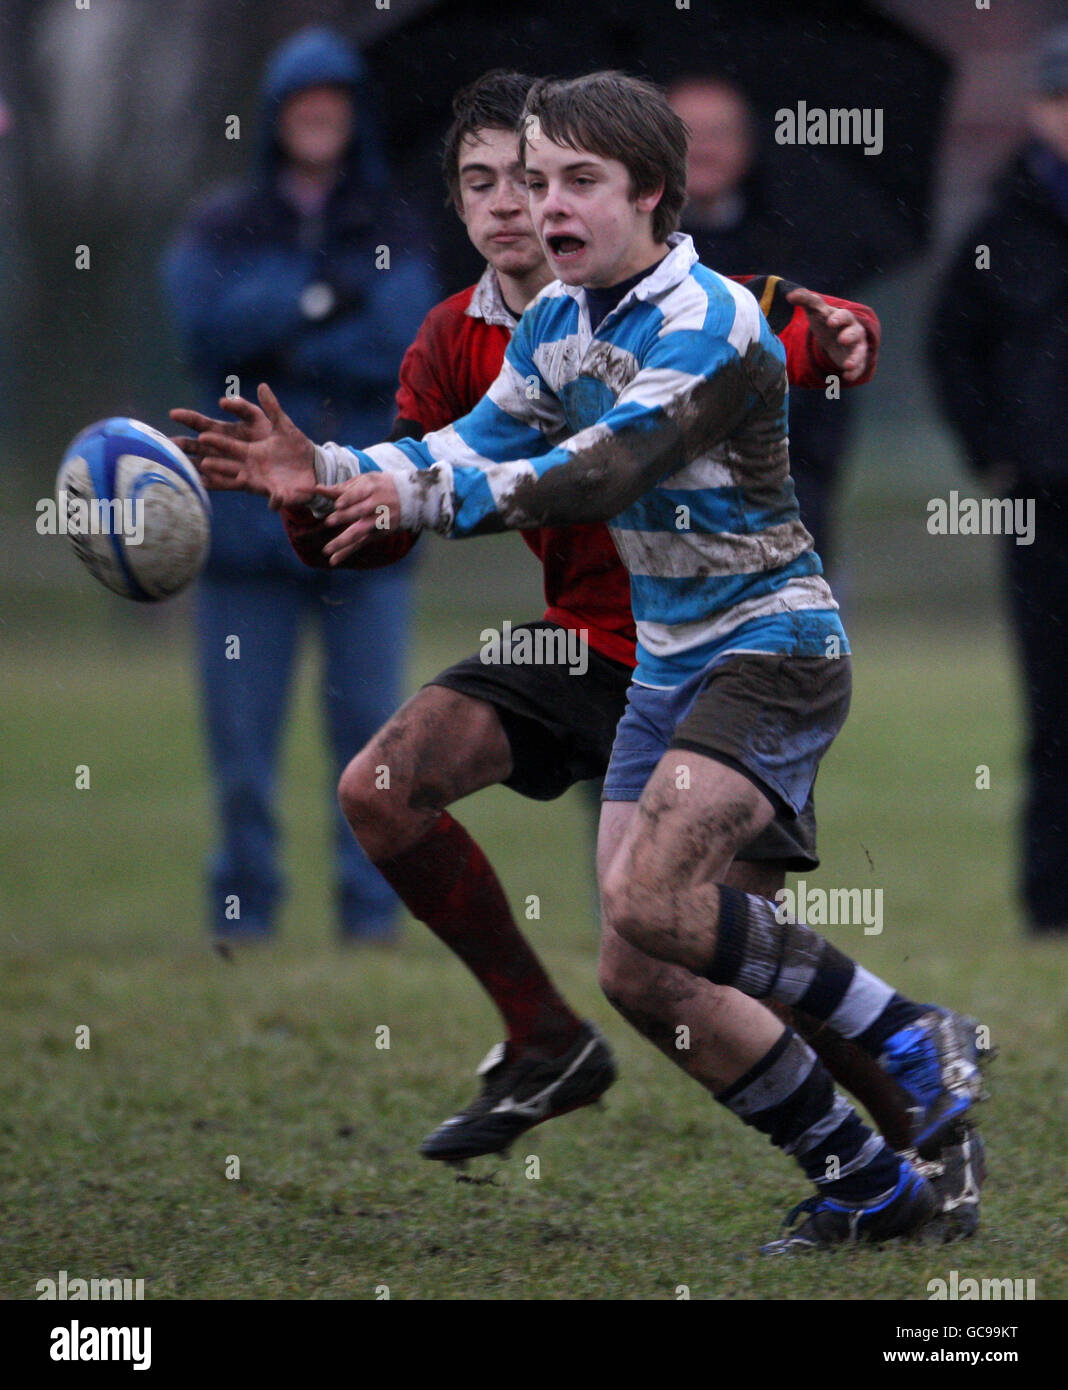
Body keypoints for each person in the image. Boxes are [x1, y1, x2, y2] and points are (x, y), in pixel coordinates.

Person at [178, 72, 987, 1251]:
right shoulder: (557, 321)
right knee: (643, 965)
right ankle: (874, 1186)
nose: (539, 205)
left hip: (770, 646)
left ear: (652, 192)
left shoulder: (709, 319)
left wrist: (835, 330)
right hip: (663, 661)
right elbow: (465, 442)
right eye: (523, 180)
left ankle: (915, 1032)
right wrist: (334, 466)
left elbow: (597, 471)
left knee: (656, 899)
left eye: (573, 183)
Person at [162, 27, 436, 943]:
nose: (317, 118)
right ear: (276, 117)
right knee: (242, 753)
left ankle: (368, 924)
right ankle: (244, 916)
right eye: (300, 103)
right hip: (243, 531)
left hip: (362, 520)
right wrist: (325, 298)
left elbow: (402, 340)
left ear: (352, 116)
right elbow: (204, 328)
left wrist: (279, 318)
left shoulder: (395, 224)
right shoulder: (221, 223)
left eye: (333, 102)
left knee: (370, 746)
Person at [927, 24, 1068, 938]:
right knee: (1056, 708)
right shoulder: (1001, 229)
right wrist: (998, 455)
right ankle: (1053, 905)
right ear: (1036, 110)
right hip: (1045, 502)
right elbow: (952, 352)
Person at [667, 75, 894, 567]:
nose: (702, 149)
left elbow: (829, 379)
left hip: (781, 500)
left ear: (748, 146)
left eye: (719, 133)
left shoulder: (799, 248)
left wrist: (807, 479)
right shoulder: (614, 261)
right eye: (685, 135)